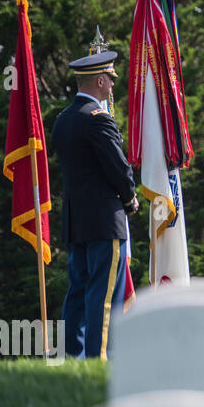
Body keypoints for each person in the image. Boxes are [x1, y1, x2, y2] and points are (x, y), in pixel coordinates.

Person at [50, 49, 140, 359]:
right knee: (102, 294)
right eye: (111, 80)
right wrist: (130, 199)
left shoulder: (63, 120)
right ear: (100, 81)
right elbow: (119, 169)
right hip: (104, 220)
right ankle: (98, 358)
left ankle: (72, 355)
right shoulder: (99, 120)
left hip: (76, 221)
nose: (113, 86)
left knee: (77, 291)